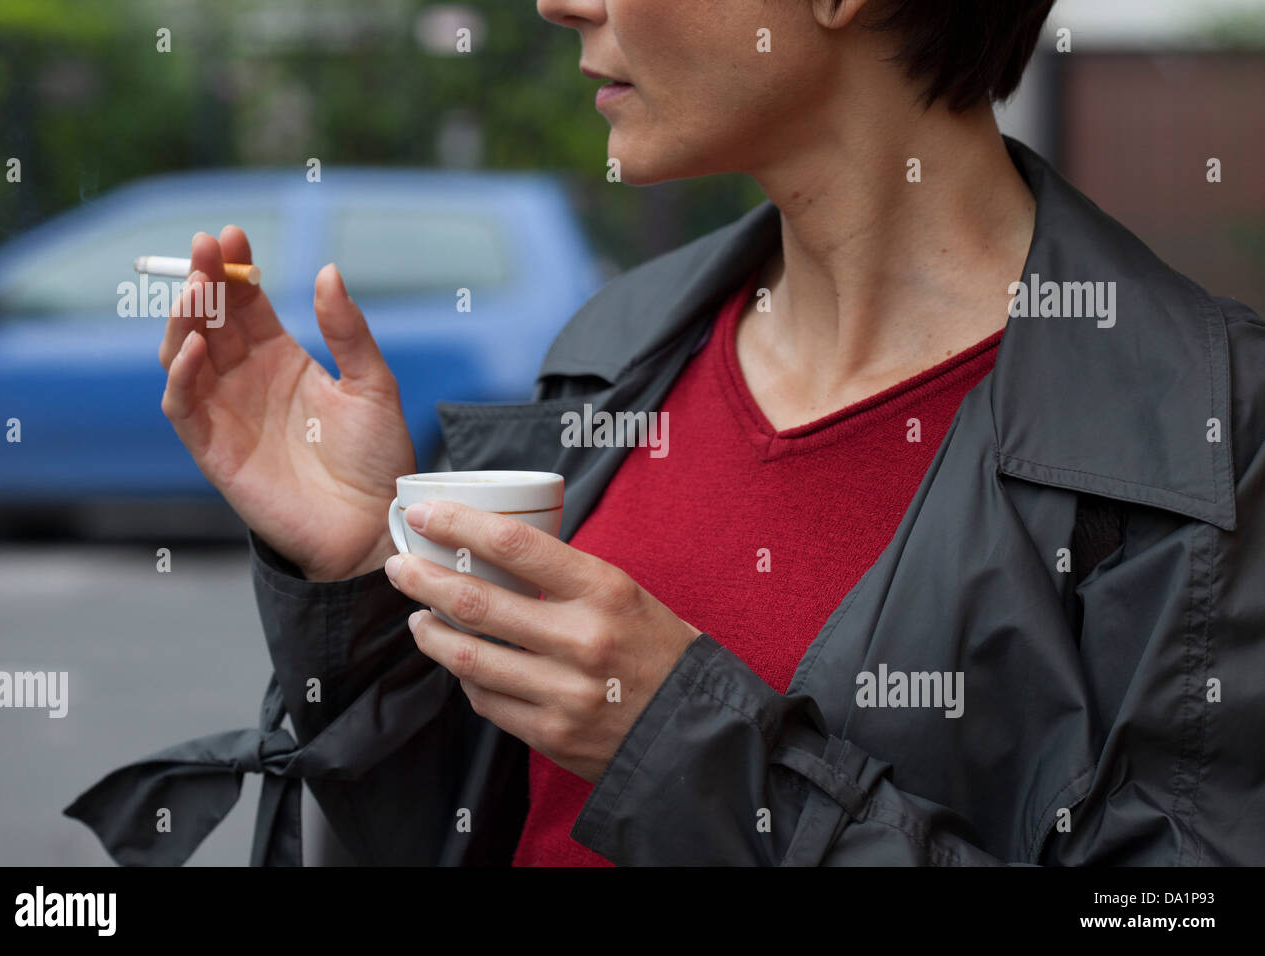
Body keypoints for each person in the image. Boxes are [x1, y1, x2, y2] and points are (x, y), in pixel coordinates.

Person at [66, 0, 1265, 866]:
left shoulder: (1208, 432)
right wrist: (370, 587)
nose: (559, 3)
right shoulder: (618, 344)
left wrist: (696, 752)